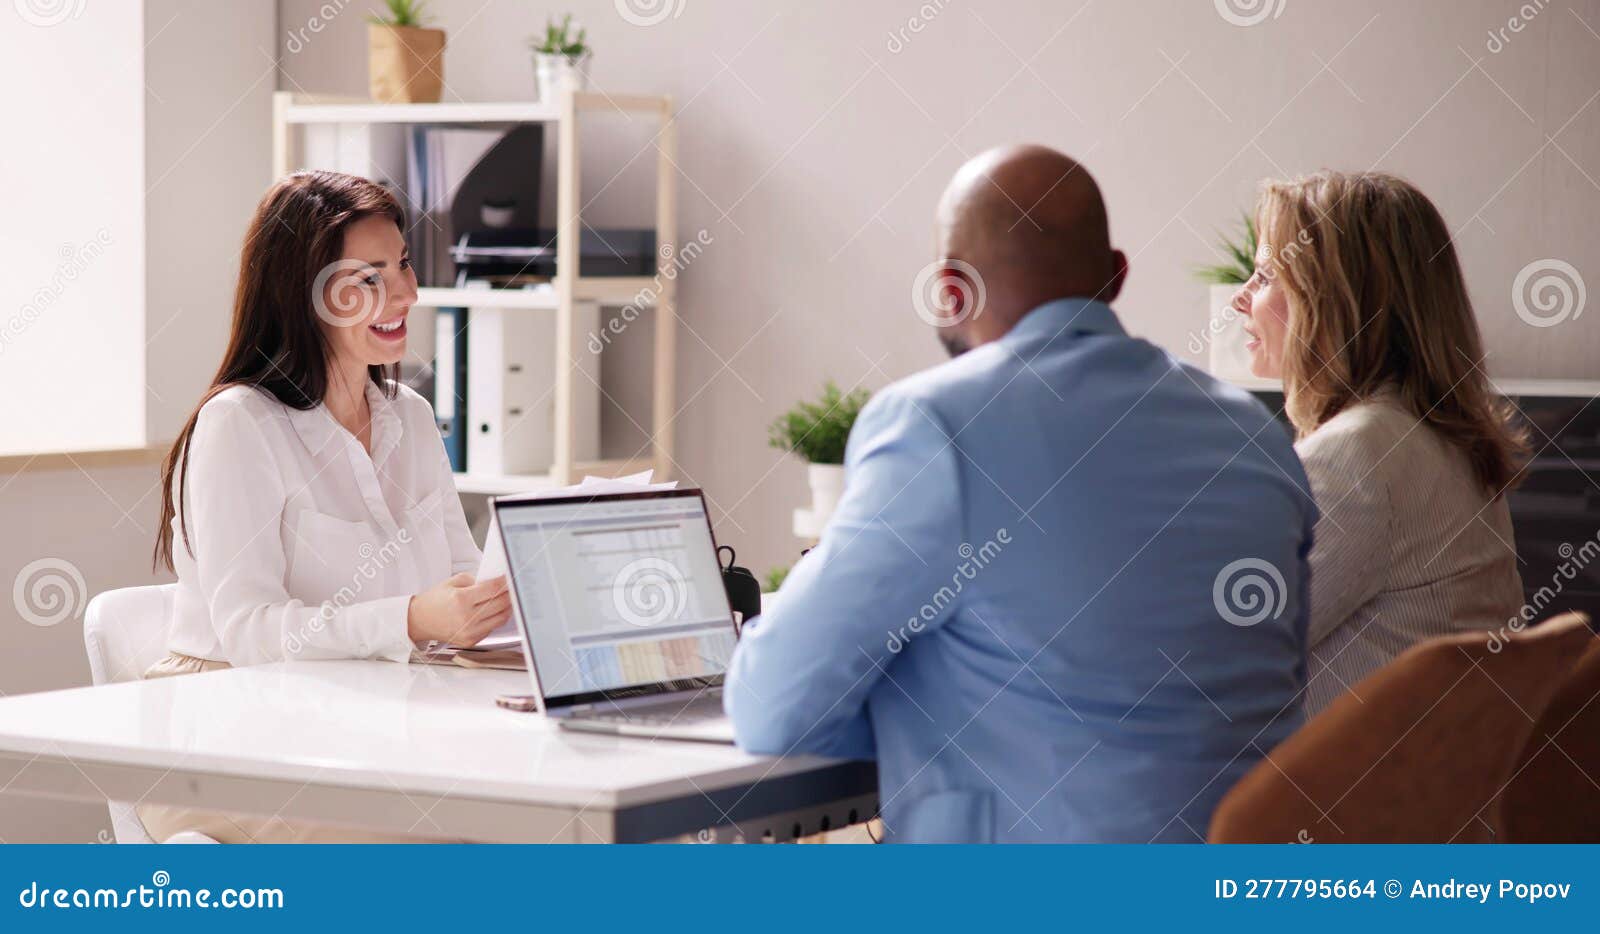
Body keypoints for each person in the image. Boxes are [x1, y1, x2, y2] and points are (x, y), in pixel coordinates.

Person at [725, 145, 1316, 843]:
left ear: (950, 288)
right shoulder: (1255, 434)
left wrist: (905, 696)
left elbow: (770, 706)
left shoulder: (935, 425)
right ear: (1117, 276)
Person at [144, 170, 511, 842]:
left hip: (362, 722)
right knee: (432, 842)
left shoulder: (413, 417)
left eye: (400, 264)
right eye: (369, 277)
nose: (407, 292)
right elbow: (250, 632)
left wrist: (513, 604)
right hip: (223, 738)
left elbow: (463, 575)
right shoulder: (240, 424)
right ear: (303, 296)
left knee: (528, 821)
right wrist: (411, 619)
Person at [1233, 170, 1528, 713]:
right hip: (1438, 783)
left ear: (1337, 301)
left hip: (1346, 793)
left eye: (1267, 275)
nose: (1241, 300)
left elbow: (1224, 652)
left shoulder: (1360, 451)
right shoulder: (1443, 436)